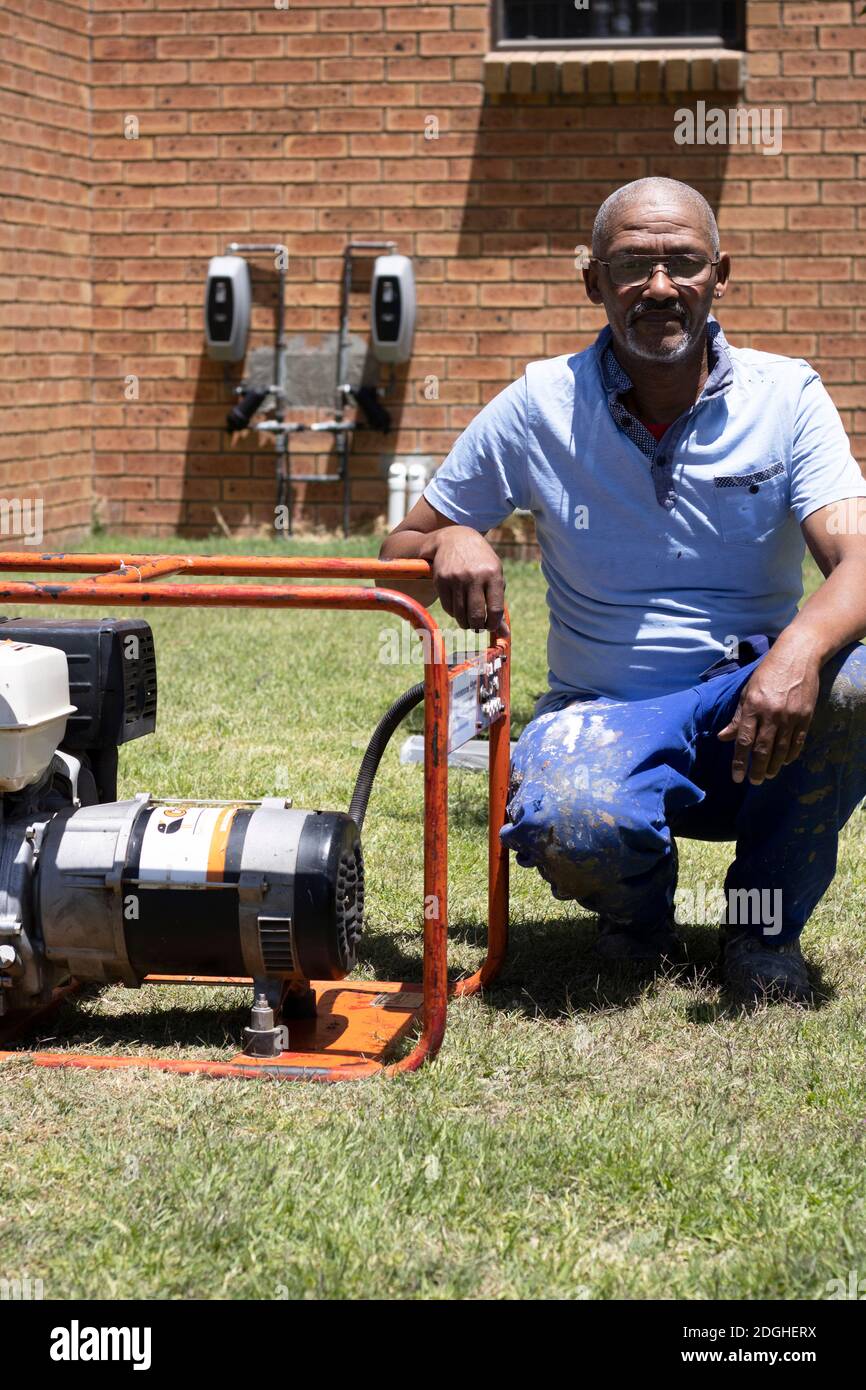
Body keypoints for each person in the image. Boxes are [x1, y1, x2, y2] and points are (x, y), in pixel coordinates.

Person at [379, 176, 866, 1004]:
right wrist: (452, 537)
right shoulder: (538, 406)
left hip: (751, 712)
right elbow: (403, 543)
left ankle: (762, 930)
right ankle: (637, 918)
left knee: (853, 682)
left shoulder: (787, 396)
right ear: (594, 282)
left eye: (683, 262)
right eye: (635, 265)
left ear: (720, 274)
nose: (661, 286)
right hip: (601, 712)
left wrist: (800, 652)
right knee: (573, 815)